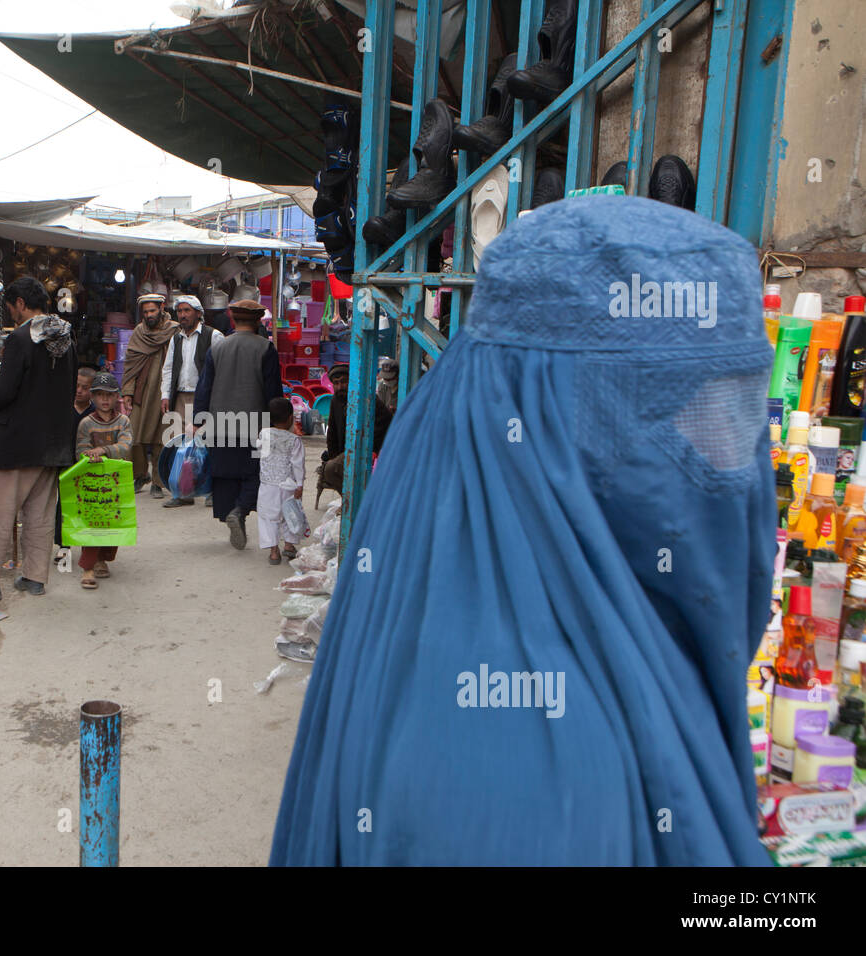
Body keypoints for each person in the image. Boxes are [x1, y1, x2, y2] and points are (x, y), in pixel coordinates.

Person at [271, 196, 774, 865]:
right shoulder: (526, 775)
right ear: (561, 420)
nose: (732, 453)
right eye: (691, 413)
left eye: (740, 412)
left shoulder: (458, 532)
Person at [0, 276, 76, 602]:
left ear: (20, 304)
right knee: (39, 515)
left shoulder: (21, 339)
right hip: (54, 443)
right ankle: (35, 578)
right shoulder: (66, 337)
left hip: (17, 442)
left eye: (12, 309)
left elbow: (2, 394)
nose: (13, 316)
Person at [193, 298, 283, 550]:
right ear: (257, 321)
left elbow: (204, 387)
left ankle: (233, 515)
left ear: (233, 320)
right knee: (257, 473)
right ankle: (241, 510)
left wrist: (198, 420)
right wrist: (279, 423)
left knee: (225, 475)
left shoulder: (217, 348)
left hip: (219, 425)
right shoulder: (265, 348)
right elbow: (273, 391)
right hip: (255, 425)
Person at [160, 295, 224, 508]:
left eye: (187, 310)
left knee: (208, 446)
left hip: (205, 399)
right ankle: (183, 492)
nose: (183, 315)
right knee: (180, 447)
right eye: (180, 311)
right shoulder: (175, 338)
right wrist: (165, 395)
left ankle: (212, 491)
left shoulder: (213, 336)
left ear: (198, 313)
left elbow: (223, 369)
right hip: (180, 396)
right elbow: (168, 368)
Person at [74, 372, 133, 590]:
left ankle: (102, 559)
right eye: (99, 395)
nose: (104, 400)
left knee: (113, 525)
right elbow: (80, 450)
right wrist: (90, 455)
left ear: (116, 396)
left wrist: (103, 450)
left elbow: (125, 446)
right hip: (92, 482)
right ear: (92, 397)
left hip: (116, 482)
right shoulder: (86, 424)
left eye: (108, 395)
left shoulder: (124, 422)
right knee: (92, 523)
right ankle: (88, 568)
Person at [120, 293, 178, 499]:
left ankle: (158, 482)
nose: (149, 315)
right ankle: (140, 475)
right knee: (134, 436)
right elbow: (130, 364)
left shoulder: (173, 330)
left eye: (152, 310)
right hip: (142, 391)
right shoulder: (139, 332)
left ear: (162, 307)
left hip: (164, 392)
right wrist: (127, 392)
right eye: (145, 312)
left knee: (161, 439)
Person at [316, 363, 392, 508]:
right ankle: (351, 502)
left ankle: (357, 503)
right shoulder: (335, 401)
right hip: (347, 452)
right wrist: (333, 456)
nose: (340, 387)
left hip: (369, 450)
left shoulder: (367, 399)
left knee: (332, 469)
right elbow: (332, 432)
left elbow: (384, 424)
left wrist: (369, 448)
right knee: (331, 469)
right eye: (336, 383)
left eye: (344, 382)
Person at [257, 397, 305, 565]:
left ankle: (274, 552)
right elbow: (298, 465)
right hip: (288, 485)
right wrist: (300, 485)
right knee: (290, 514)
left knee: (268, 517)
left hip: (267, 484)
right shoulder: (294, 441)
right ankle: (289, 546)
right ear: (291, 418)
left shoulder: (263, 434)